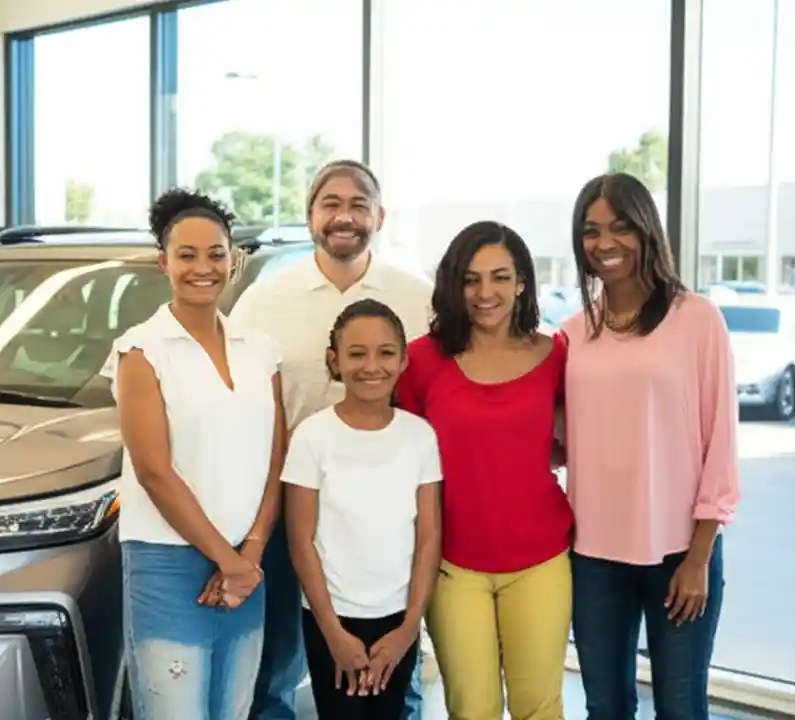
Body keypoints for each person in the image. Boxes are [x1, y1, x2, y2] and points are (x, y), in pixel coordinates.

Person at [227, 159, 434, 720]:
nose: (344, 216)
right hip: (284, 502)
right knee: (277, 665)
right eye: (331, 204)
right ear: (311, 215)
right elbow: (237, 399)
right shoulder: (265, 298)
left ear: (380, 216)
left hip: (382, 516)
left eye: (358, 204)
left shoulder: (418, 297)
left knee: (397, 674)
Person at [102, 187, 287, 719]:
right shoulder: (141, 351)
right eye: (187, 255)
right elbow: (154, 472)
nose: (202, 267)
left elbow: (276, 454)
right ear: (163, 262)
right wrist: (228, 561)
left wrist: (250, 552)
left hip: (246, 562)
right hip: (167, 562)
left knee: (231, 711)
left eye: (216, 254)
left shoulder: (260, 349)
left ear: (235, 260)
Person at [561, 172, 740, 719]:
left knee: (681, 708)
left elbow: (721, 444)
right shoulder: (572, 333)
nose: (604, 242)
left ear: (646, 230)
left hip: (678, 553)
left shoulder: (696, 319)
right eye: (591, 231)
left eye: (619, 226)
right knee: (605, 707)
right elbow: (557, 441)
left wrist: (700, 557)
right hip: (593, 556)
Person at [394, 221, 574, 719]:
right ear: (454, 284)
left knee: (540, 709)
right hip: (453, 565)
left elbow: (580, 438)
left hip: (540, 559)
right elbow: (398, 463)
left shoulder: (555, 354)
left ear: (521, 282)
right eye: (471, 279)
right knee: (472, 710)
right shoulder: (420, 361)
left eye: (499, 277)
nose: (485, 292)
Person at [283, 299, 442, 720]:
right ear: (334, 361)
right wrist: (333, 633)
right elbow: (300, 540)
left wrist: (409, 628)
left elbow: (429, 537)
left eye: (386, 352)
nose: (372, 366)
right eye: (356, 353)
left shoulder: (419, 436)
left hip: (397, 619)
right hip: (329, 619)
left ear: (405, 360)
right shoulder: (312, 437)